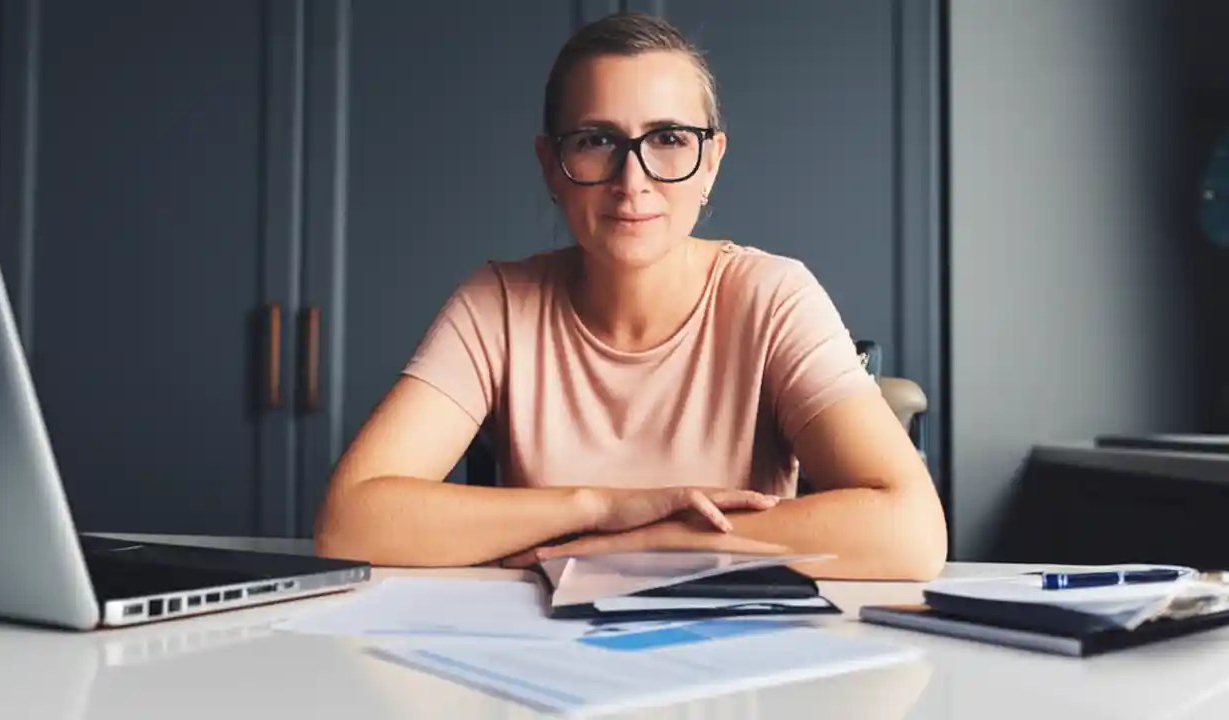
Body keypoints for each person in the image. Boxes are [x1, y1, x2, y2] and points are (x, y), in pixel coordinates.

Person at [314, 12, 946, 580]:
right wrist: (602, 507)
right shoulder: (498, 302)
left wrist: (657, 539)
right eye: (595, 141)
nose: (632, 180)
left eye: (669, 139)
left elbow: (912, 533)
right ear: (549, 166)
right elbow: (351, 522)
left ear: (712, 161)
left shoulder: (772, 295)